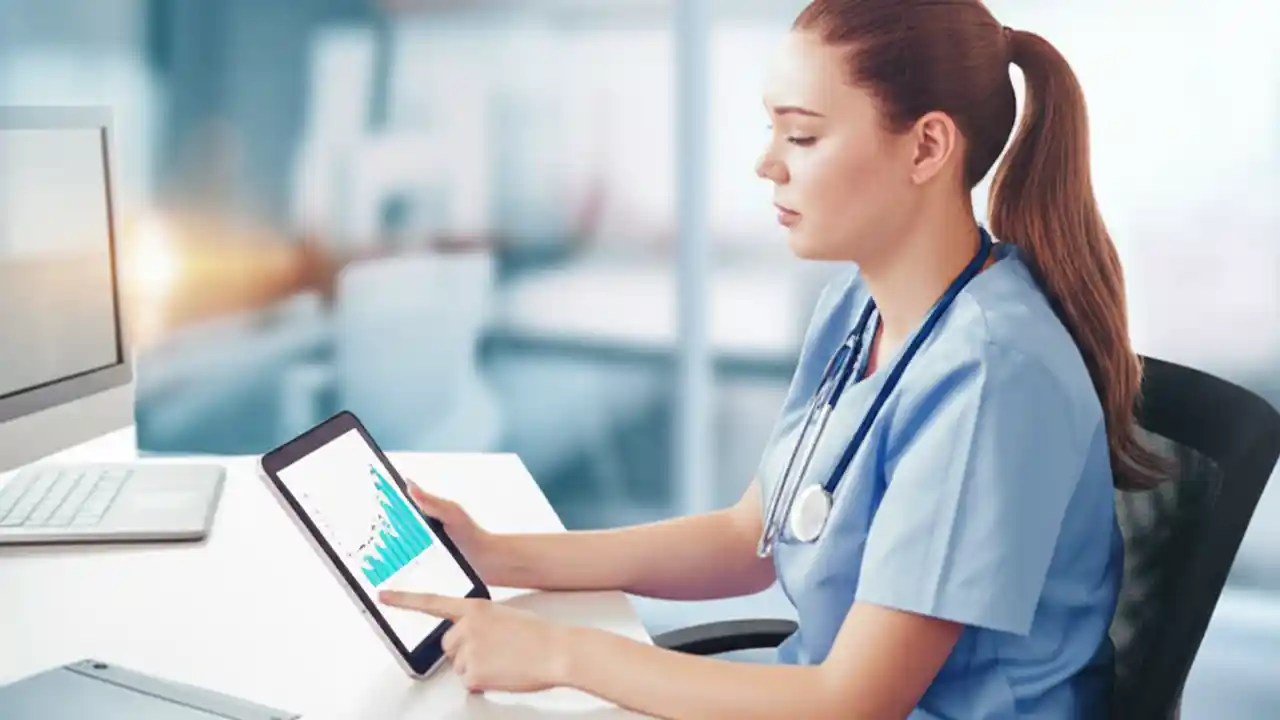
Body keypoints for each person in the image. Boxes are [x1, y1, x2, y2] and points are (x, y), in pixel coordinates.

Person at [378, 1, 1165, 717]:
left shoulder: (992, 376)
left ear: (927, 146)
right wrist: (500, 553)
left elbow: (853, 701)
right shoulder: (859, 307)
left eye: (803, 136)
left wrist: (559, 653)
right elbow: (745, 536)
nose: (768, 164)